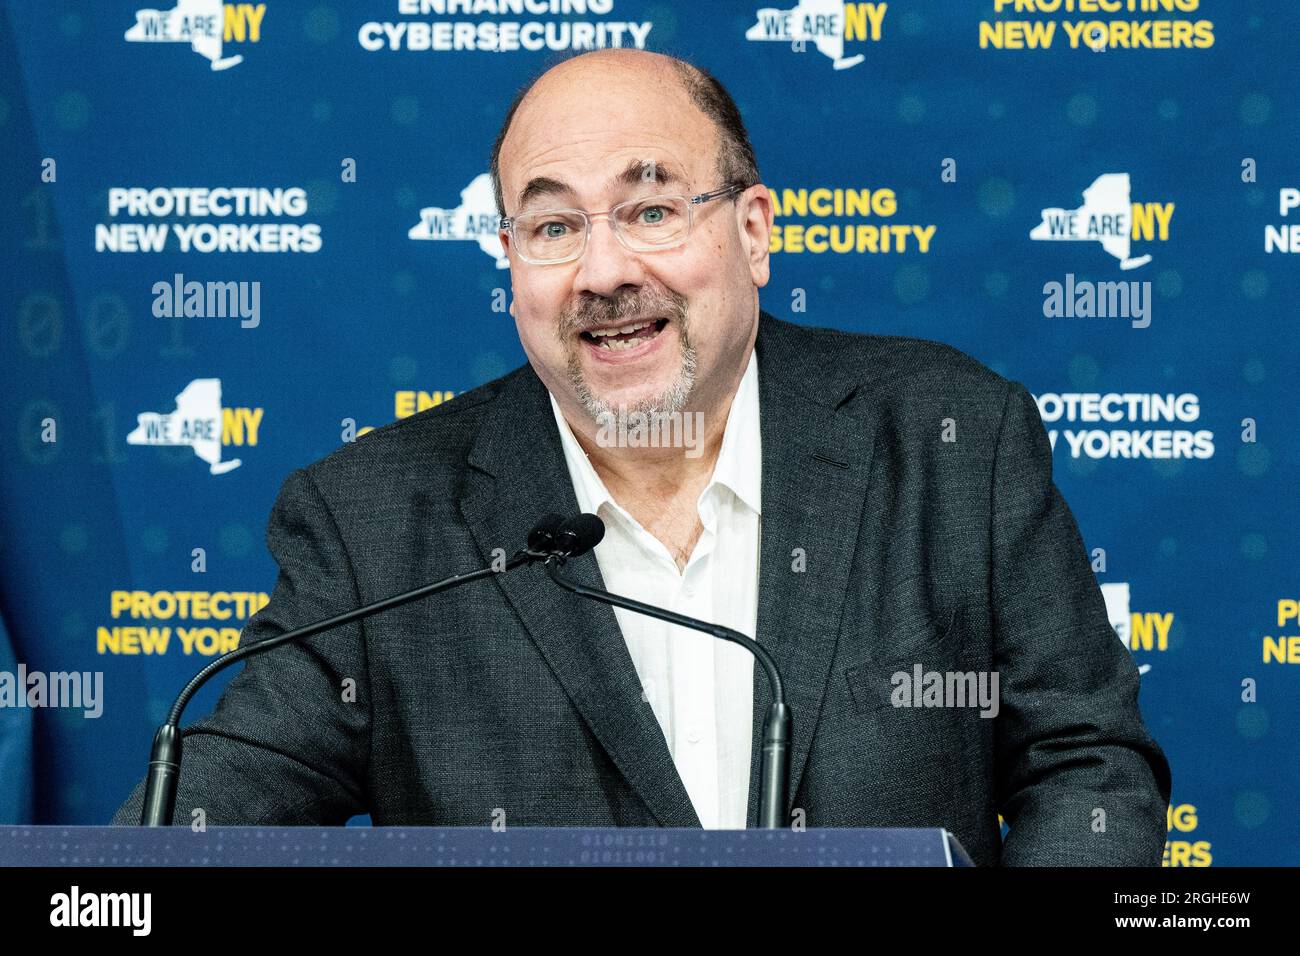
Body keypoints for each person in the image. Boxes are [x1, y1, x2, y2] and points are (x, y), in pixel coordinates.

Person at [113, 48, 1171, 865]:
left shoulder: (950, 438)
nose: (602, 270)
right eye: (553, 226)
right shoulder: (376, 520)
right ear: (511, 263)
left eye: (652, 208)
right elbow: (211, 814)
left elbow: (1085, 764)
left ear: (752, 231)